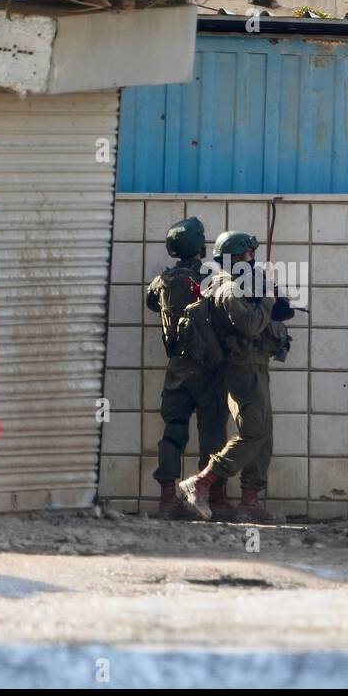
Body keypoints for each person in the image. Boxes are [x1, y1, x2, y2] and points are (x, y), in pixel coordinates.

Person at [176, 231, 292, 523]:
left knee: (263, 435)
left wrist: (274, 301)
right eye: (249, 255)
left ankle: (250, 501)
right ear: (237, 257)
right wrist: (266, 301)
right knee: (253, 431)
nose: (252, 259)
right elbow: (250, 325)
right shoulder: (228, 288)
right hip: (242, 367)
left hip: (256, 364)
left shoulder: (243, 284)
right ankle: (201, 482)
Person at [145, 217, 231, 520]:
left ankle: (167, 499)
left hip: (178, 367)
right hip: (209, 367)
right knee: (212, 433)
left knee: (173, 432)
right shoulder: (212, 275)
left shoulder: (163, 280)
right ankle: (214, 498)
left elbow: (152, 304)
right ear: (199, 245)